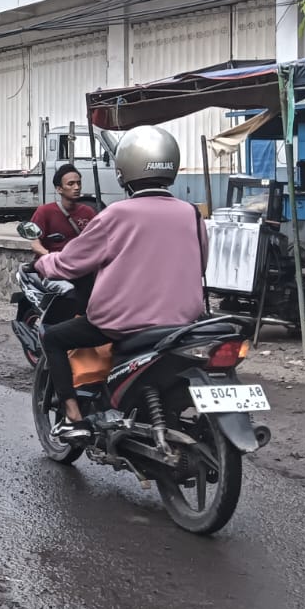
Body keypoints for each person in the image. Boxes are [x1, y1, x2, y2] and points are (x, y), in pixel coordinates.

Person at [33, 126, 207, 432]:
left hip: (121, 323)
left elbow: (71, 263)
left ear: (123, 170)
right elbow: (201, 263)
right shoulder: (191, 213)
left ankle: (73, 415)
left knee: (53, 337)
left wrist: (43, 263)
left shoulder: (116, 214)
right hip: (182, 322)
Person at [31, 164, 97, 251]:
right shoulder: (44, 212)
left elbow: (98, 240)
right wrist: (50, 257)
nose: (77, 187)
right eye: (71, 184)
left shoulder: (88, 212)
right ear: (59, 189)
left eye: (78, 183)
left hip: (80, 262)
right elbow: (35, 243)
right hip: (52, 262)